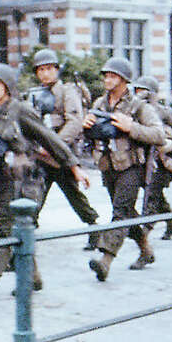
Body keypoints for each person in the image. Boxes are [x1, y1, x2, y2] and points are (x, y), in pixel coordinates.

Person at [0, 63, 88, 304]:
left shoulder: (20, 110)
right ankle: (32, 276)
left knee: (5, 231)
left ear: (7, 86)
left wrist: (73, 166)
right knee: (13, 230)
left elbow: (48, 138)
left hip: (18, 180)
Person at [82, 57, 167, 280]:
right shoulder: (100, 104)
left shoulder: (139, 106)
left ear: (124, 80)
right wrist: (87, 126)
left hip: (132, 166)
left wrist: (132, 127)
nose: (107, 79)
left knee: (119, 212)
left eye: (113, 76)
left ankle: (105, 260)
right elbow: (92, 134)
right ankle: (146, 250)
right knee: (127, 213)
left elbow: (159, 135)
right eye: (106, 75)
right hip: (108, 165)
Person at [26, 49, 99, 229]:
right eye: (40, 70)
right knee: (33, 198)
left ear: (57, 70)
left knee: (75, 197)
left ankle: (94, 227)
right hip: (41, 156)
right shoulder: (34, 94)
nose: (45, 73)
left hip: (62, 156)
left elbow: (74, 123)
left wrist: (53, 146)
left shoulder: (68, 91)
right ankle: (27, 235)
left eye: (49, 68)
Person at [133, 75, 172, 240]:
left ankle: (144, 233)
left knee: (151, 195)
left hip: (162, 161)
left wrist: (170, 145)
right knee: (154, 193)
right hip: (142, 160)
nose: (140, 94)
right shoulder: (134, 110)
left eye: (144, 91)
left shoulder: (165, 112)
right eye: (137, 90)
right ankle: (170, 223)